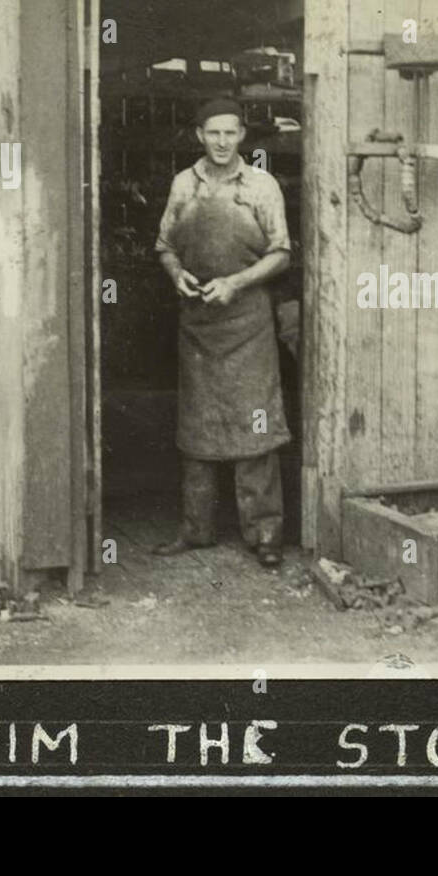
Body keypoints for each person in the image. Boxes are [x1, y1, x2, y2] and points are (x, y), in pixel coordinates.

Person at [151, 97, 292, 567]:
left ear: (242, 137)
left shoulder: (261, 186)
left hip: (248, 323)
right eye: (213, 133)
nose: (222, 141)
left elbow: (281, 253)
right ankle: (197, 529)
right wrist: (176, 275)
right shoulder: (182, 186)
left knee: (255, 426)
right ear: (199, 135)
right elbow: (165, 246)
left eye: (230, 133)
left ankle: (265, 534)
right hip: (198, 324)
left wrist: (235, 283)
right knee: (198, 427)